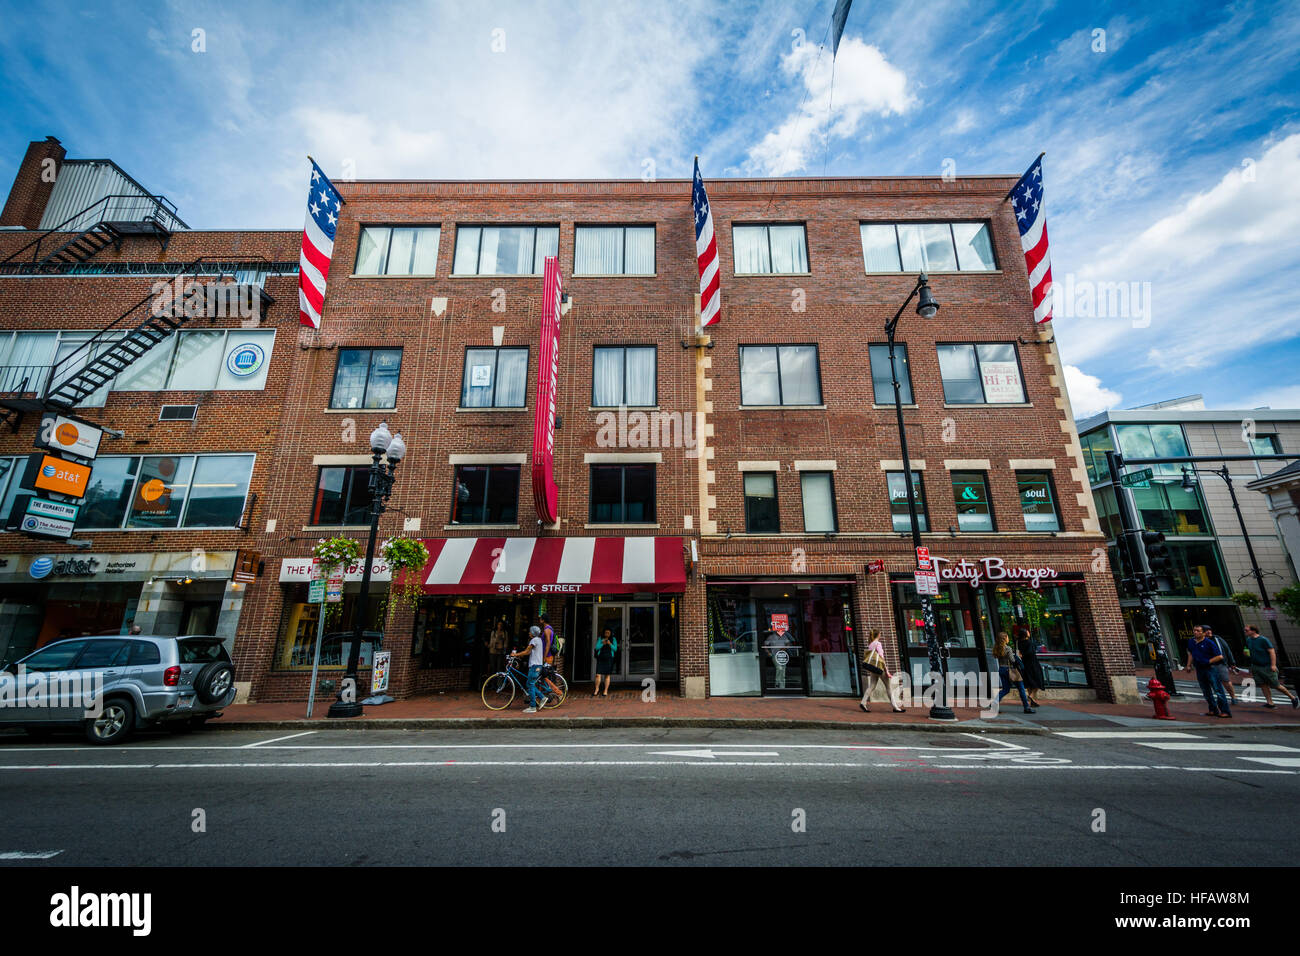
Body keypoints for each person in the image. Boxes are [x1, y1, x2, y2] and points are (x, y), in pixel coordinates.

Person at [1181, 623, 1232, 718]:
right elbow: (1191, 653)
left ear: (1204, 633)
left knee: (1218, 690)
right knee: (1206, 690)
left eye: (1198, 631)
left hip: (1210, 668)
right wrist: (1188, 665)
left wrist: (1208, 661)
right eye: (1194, 631)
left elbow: (1220, 656)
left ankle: (1225, 711)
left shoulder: (1209, 643)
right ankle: (1213, 709)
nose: (1195, 633)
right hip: (1199, 668)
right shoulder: (1191, 641)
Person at [1244, 624, 1298, 709]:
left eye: (1247, 630)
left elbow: (1272, 652)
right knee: (1263, 684)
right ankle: (1270, 703)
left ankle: (1293, 698)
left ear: (1253, 631)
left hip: (1266, 666)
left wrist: (1273, 665)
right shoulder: (1248, 640)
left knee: (1275, 685)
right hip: (1256, 666)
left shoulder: (1263, 640)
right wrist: (1246, 652)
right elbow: (1247, 649)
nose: (1245, 632)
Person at [858, 628, 905, 713]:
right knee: (888, 687)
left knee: (871, 686)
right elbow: (881, 658)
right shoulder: (878, 644)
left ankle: (863, 702)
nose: (881, 635)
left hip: (873, 668)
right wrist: (886, 670)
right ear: (878, 635)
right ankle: (895, 707)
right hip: (880, 668)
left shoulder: (871, 644)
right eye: (880, 634)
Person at [993, 631, 1035, 714]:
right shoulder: (1007, 648)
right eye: (1007, 637)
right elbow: (1012, 660)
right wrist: (1017, 657)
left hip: (1001, 669)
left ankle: (994, 703)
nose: (1008, 638)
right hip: (1011, 670)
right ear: (1005, 639)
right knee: (1021, 688)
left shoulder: (997, 648)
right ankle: (1027, 707)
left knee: (1005, 689)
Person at [508, 625, 547, 714]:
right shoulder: (539, 640)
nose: (529, 633)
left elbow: (526, 651)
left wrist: (515, 655)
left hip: (535, 666)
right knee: (530, 684)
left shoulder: (533, 640)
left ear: (533, 633)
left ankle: (533, 706)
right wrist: (520, 655)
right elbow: (528, 652)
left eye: (530, 632)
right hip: (538, 665)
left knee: (530, 684)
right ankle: (542, 697)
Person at [1016, 627, 1045, 708]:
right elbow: (1031, 653)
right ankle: (1031, 696)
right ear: (1025, 634)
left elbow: (1020, 653)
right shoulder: (1029, 642)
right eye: (1028, 632)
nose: (1029, 632)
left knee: (1029, 683)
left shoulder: (1019, 643)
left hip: (1025, 664)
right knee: (1038, 681)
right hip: (1033, 664)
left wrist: (1022, 656)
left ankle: (1033, 702)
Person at [1210, 628, 1239, 704]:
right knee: (1214, 683)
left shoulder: (1217, 639)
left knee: (1226, 681)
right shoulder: (1200, 641)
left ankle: (1233, 697)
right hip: (1209, 665)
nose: (1208, 631)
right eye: (1206, 630)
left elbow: (1227, 649)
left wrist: (1232, 662)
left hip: (1220, 663)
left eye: (1209, 630)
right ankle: (1220, 698)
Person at [593, 627, 617, 698]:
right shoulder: (600, 638)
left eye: (608, 633)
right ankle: (596, 689)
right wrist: (602, 643)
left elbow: (615, 649)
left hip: (609, 658)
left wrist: (610, 644)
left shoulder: (613, 639)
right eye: (606, 632)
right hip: (601, 658)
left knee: (607, 675)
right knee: (598, 674)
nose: (607, 634)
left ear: (610, 633)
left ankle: (605, 690)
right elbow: (596, 648)